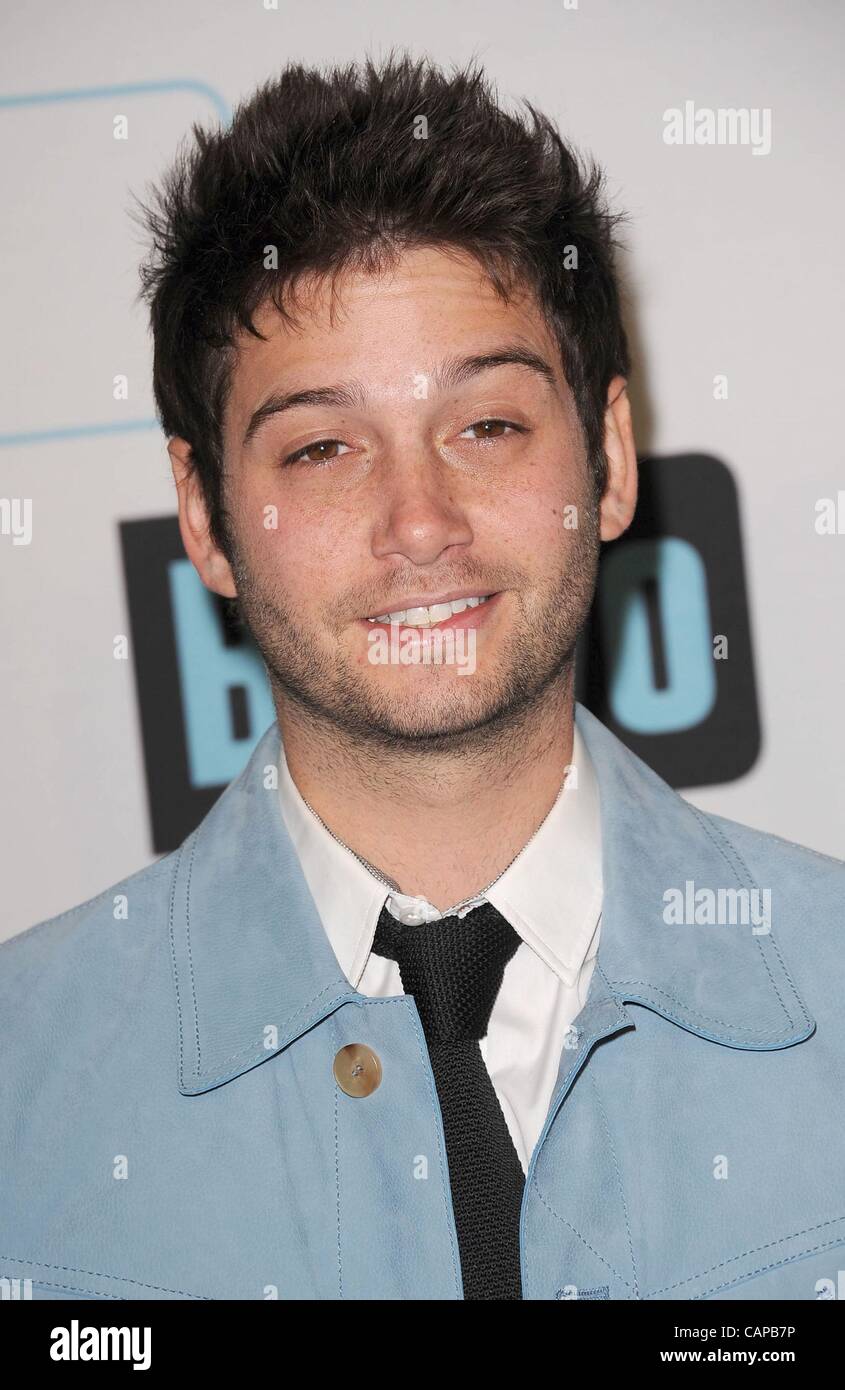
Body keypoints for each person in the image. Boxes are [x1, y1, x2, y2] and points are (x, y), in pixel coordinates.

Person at [2, 53, 843, 1303]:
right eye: (324, 446)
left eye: (486, 425)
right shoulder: (25, 1081)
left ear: (607, 457)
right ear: (203, 513)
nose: (417, 521)